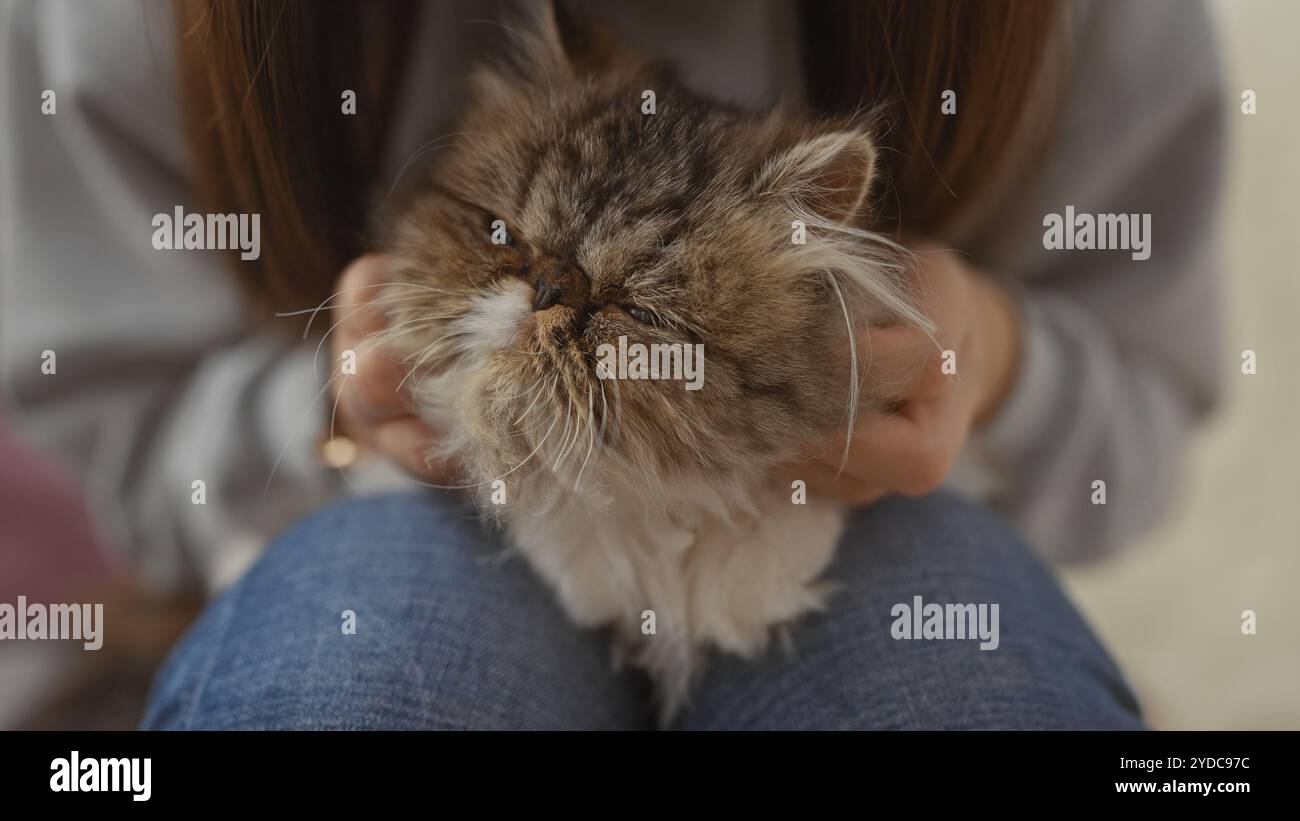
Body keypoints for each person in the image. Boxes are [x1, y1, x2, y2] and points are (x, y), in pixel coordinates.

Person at [0, 0, 1224, 729]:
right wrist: (324, 403)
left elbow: (1145, 428)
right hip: (399, 517)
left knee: (947, 676)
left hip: (836, 509)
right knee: (352, 664)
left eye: (628, 308)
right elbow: (112, 428)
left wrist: (998, 358)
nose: (550, 311)